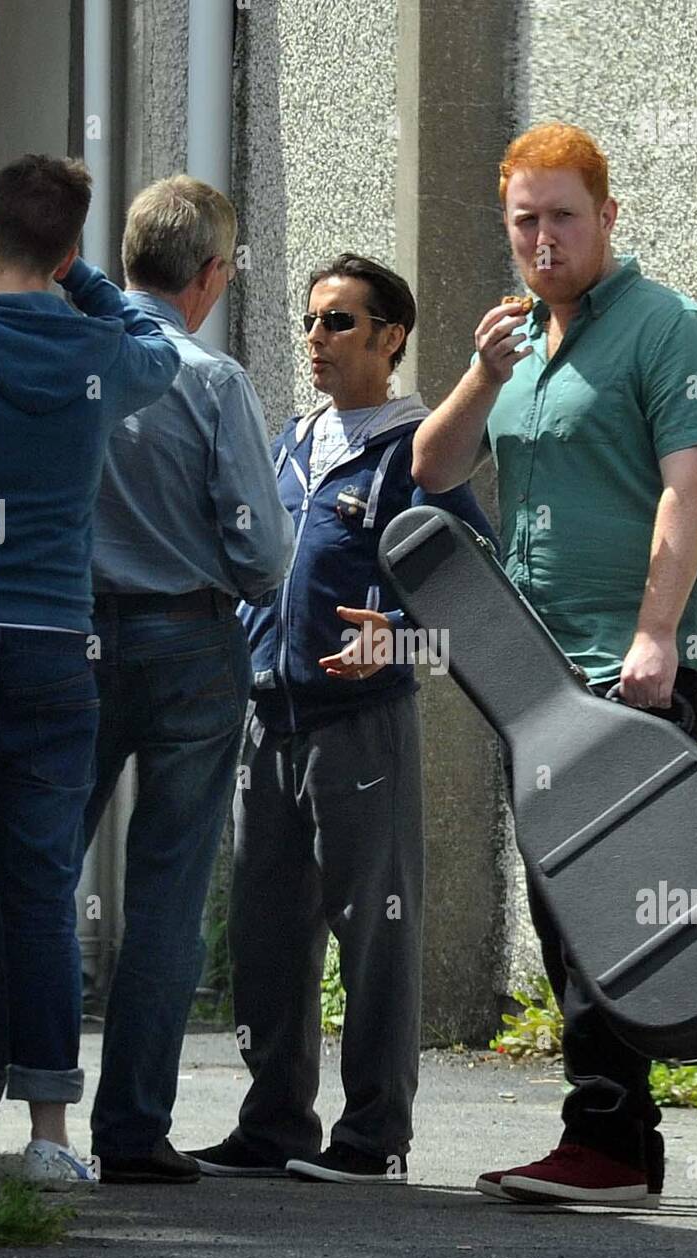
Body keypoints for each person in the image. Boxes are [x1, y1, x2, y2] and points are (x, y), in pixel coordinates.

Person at [413, 121, 697, 1207]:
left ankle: (607, 1138)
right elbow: (434, 465)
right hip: (533, 671)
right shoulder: (516, 346)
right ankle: (615, 1139)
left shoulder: (666, 329)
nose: (543, 239)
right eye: (524, 221)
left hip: (641, 659)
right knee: (566, 893)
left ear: (608, 216)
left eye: (562, 216)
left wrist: (654, 636)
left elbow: (689, 490)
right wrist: (476, 371)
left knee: (596, 887)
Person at [186, 255, 498, 1184]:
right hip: (264, 719)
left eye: (340, 324)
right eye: (312, 322)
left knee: (375, 929)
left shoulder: (418, 448)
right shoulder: (289, 441)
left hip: (361, 722)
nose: (316, 340)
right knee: (268, 928)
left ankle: (373, 1139)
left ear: (391, 338)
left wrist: (396, 638)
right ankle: (274, 1123)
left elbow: (474, 591)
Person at [83, 176, 294, 1184]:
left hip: (67, 641)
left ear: (129, 260)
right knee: (166, 896)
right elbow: (262, 558)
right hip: (190, 645)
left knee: (27, 880)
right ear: (208, 276)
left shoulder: (65, 360)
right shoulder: (209, 382)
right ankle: (129, 1131)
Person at [0, 155, 180, 1185]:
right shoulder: (101, 352)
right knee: (40, 891)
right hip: (59, 646)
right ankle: (51, 1134)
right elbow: (167, 340)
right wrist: (86, 279)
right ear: (66, 250)